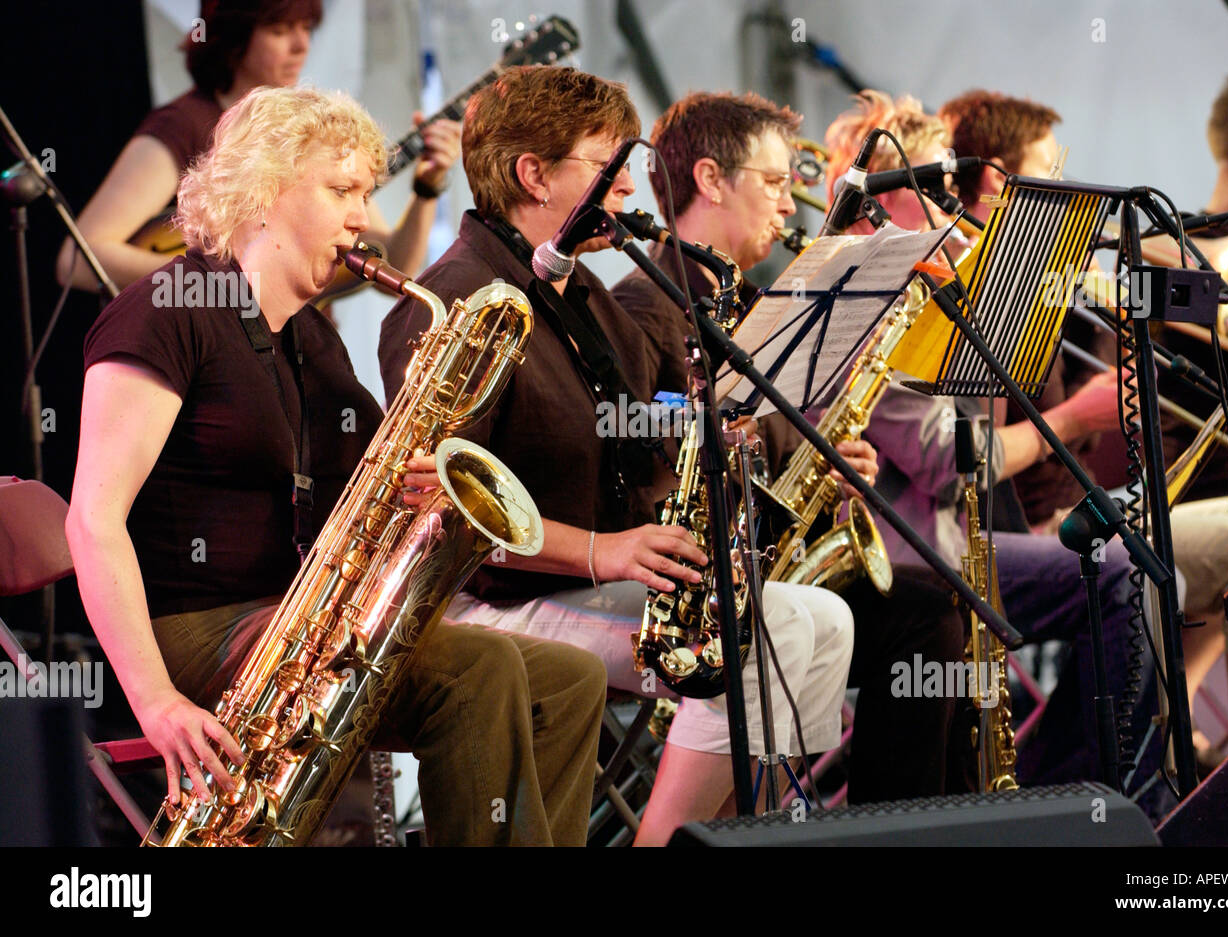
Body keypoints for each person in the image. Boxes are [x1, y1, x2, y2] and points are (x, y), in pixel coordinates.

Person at [64, 85, 606, 846]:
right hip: (186, 628)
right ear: (263, 191)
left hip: (288, 615)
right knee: (474, 669)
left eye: (365, 191)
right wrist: (155, 698)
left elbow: (372, 480)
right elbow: (92, 518)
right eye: (342, 190)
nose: (363, 216)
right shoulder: (163, 311)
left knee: (571, 679)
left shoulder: (309, 339)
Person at [377, 66, 854, 846]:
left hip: (593, 582)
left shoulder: (580, 292)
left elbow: (648, 432)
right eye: (609, 166)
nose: (632, 189)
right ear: (534, 174)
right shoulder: (457, 300)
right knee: (762, 635)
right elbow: (444, 510)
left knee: (823, 620)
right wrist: (607, 549)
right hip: (492, 603)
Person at [610, 90, 973, 802]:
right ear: (711, 181)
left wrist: (825, 465)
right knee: (922, 619)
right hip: (694, 596)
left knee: (928, 611)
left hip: (758, 573)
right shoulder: (643, 310)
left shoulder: (753, 306)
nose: (788, 206)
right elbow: (650, 474)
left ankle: (894, 825)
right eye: (775, 184)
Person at [823, 90, 1175, 815]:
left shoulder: (939, 280)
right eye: (933, 191)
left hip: (962, 540)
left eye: (951, 190)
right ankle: (1066, 796)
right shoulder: (868, 287)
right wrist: (1078, 415)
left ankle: (1059, 795)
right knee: (1119, 575)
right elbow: (950, 460)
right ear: (886, 200)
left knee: (1125, 567)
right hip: (911, 552)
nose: (951, 210)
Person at [943, 84, 1228, 754]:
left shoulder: (1049, 291)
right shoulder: (961, 290)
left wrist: (1122, 362)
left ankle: (1179, 743)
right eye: (1051, 171)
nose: (1069, 188)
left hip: (1083, 516)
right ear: (997, 180)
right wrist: (1081, 416)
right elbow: (961, 459)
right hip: (1005, 538)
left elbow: (1120, 413)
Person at [55, 0, 460, 294]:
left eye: (305, 29)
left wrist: (427, 191)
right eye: (280, 31)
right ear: (235, 39)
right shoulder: (184, 124)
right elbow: (78, 259)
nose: (300, 45)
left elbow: (390, 270)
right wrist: (222, 283)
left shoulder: (310, 127)